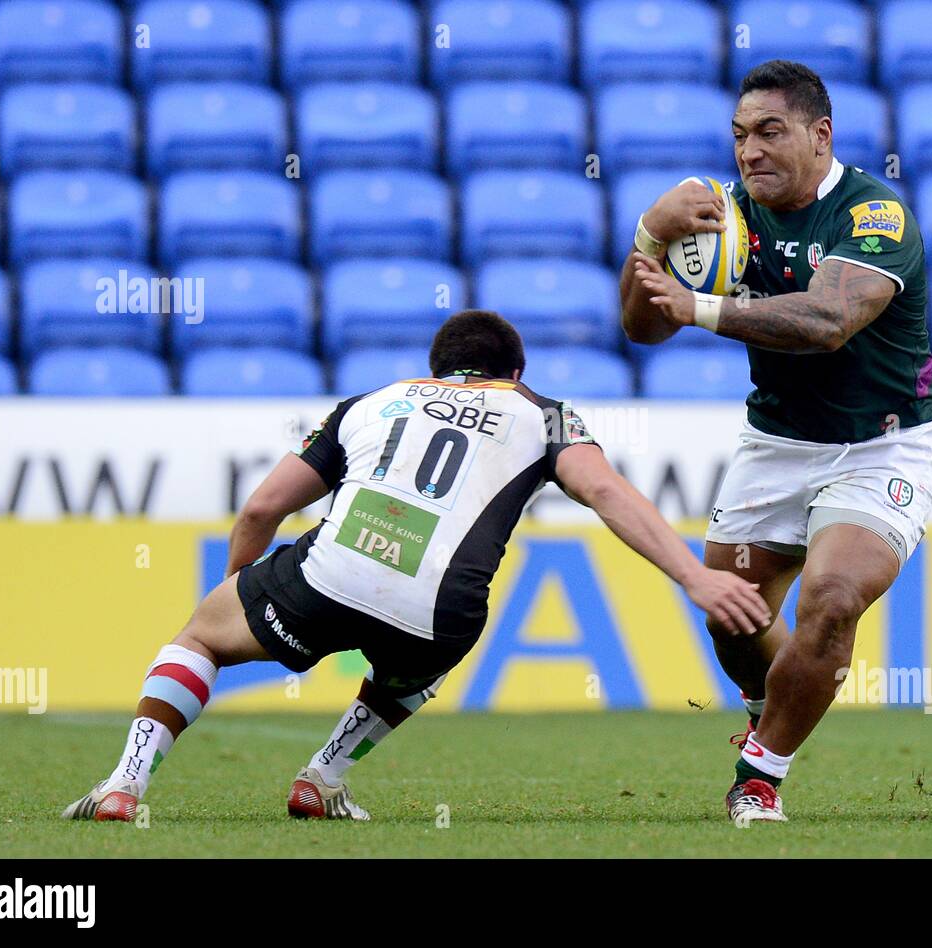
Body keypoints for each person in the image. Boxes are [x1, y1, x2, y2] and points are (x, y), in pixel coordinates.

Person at [63, 310, 770, 822]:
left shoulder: (371, 402)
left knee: (200, 638)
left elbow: (259, 510)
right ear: (514, 373)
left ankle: (124, 783)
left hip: (330, 575)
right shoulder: (542, 413)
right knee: (418, 663)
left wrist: (237, 595)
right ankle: (322, 779)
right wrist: (694, 577)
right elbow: (607, 493)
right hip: (444, 613)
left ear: (438, 369)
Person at [620, 60, 932, 824]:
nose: (750, 151)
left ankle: (760, 774)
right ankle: (770, 708)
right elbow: (640, 330)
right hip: (777, 443)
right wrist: (649, 234)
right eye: (739, 136)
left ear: (819, 135)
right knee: (731, 613)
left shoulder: (875, 215)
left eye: (770, 132)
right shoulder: (726, 214)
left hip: (884, 444)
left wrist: (701, 309)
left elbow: (828, 322)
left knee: (831, 601)